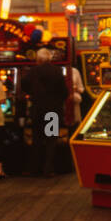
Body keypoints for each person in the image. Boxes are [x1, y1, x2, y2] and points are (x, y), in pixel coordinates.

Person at [22, 47, 68, 176]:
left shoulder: (33, 71)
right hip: (52, 111)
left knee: (37, 139)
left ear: (39, 59)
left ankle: (34, 169)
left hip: (38, 110)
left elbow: (23, 84)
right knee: (51, 140)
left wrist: (32, 94)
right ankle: (48, 169)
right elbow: (64, 92)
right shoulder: (57, 71)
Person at [70, 63, 84, 128]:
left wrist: (75, 89)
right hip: (60, 103)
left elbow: (81, 89)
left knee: (75, 126)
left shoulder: (75, 71)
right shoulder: (57, 70)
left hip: (74, 103)